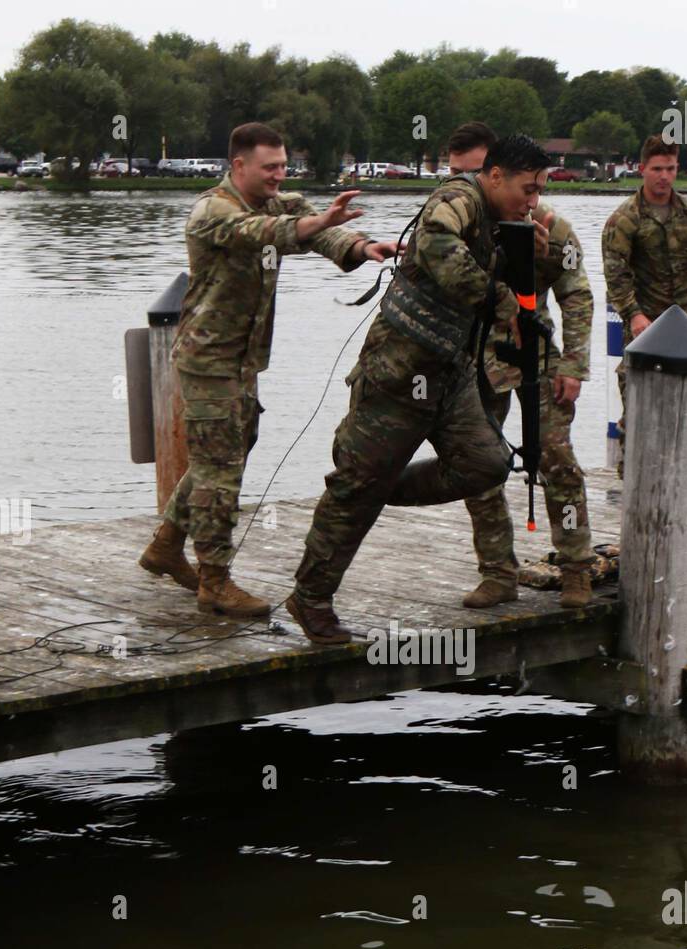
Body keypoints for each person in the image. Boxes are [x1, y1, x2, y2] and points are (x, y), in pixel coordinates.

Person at [287, 134, 553, 644]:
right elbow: (437, 248)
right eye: (527, 187)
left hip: (450, 376)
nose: (533, 200)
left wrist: (532, 255)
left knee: (486, 463)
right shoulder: (456, 199)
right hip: (397, 368)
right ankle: (312, 597)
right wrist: (500, 300)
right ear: (495, 176)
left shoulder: (510, 220)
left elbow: (524, 285)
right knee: (357, 486)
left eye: (539, 190)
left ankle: (373, 485)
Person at [138, 122, 396, 619]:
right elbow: (274, 232)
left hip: (243, 361)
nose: (280, 174)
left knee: (225, 455)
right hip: (208, 361)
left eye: (283, 166)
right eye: (270, 167)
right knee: (221, 472)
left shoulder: (276, 202)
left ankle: (167, 545)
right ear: (239, 166)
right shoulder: (214, 211)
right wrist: (317, 223)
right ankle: (214, 581)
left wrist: (364, 248)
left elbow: (315, 228)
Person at [444, 124, 595, 610]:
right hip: (472, 361)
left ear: (496, 172)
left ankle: (575, 567)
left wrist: (573, 364)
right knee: (478, 466)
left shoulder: (551, 223)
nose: (461, 187)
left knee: (557, 462)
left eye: (469, 175)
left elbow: (577, 295)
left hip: (535, 358)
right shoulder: (451, 225)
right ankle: (497, 573)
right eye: (454, 176)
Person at [602, 134, 687, 477]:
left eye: (670, 168)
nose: (664, 176)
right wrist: (634, 313)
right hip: (644, 323)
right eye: (657, 168)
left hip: (686, 325)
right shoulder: (625, 219)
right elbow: (616, 273)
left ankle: (685, 476)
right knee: (639, 397)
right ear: (642, 169)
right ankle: (635, 470)